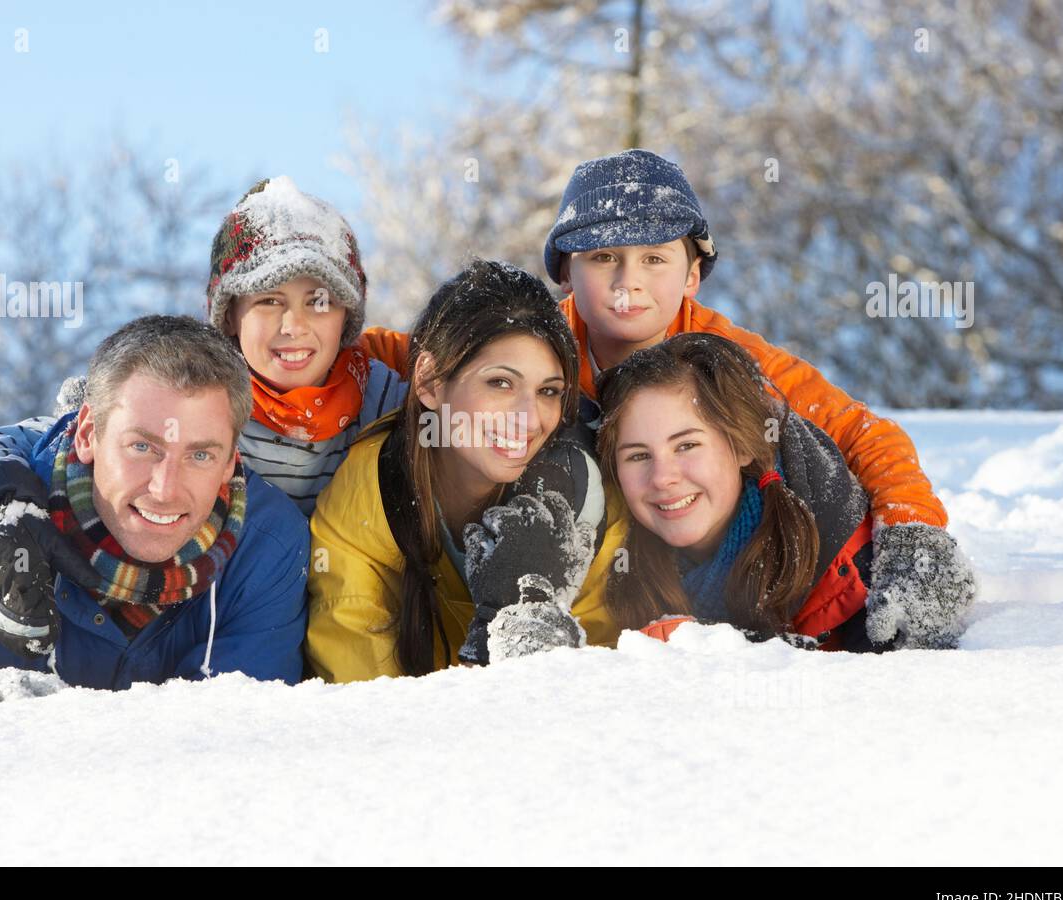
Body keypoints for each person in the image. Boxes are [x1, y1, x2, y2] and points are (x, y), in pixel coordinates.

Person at [355, 148, 970, 646]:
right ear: (566, 272)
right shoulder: (537, 344)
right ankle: (528, 615)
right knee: (562, 462)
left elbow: (862, 430)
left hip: (702, 551)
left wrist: (915, 530)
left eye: (654, 259)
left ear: (692, 273)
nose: (629, 284)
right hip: (606, 559)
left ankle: (756, 627)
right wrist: (327, 346)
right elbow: (424, 351)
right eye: (604, 259)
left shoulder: (725, 355)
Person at [0, 316, 308, 689]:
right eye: (142, 447)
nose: (164, 487)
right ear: (90, 434)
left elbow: (239, 740)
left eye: (200, 454)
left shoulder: (265, 550)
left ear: (230, 463)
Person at [0, 176, 406, 517]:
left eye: (319, 301)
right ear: (229, 313)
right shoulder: (189, 391)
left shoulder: (385, 401)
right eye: (269, 300)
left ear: (347, 314)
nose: (294, 325)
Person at [305, 260, 629, 682]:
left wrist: (532, 598)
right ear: (429, 382)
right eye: (500, 383)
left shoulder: (586, 502)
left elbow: (590, 691)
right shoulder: (374, 492)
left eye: (548, 391)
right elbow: (362, 697)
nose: (530, 419)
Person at [595, 333, 976, 650]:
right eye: (638, 455)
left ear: (743, 446)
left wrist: (718, 648)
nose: (662, 477)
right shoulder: (613, 557)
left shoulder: (846, 558)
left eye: (687, 446)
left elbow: (892, 700)